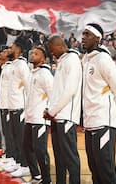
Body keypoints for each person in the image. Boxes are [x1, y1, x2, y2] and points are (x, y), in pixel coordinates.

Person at [81, 23, 116, 184]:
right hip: (90, 122)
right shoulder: (86, 60)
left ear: (98, 38)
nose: (83, 38)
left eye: (87, 34)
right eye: (83, 34)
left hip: (104, 122)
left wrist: (111, 111)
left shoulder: (103, 59)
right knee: (94, 168)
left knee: (105, 169)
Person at [44, 35, 81, 184]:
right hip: (57, 116)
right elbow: (57, 90)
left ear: (60, 46)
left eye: (53, 50)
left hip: (66, 116)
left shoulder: (72, 60)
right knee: (59, 156)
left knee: (70, 157)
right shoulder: (63, 61)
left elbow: (69, 90)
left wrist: (53, 111)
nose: (52, 53)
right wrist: (50, 108)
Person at [24, 47, 53, 184]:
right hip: (29, 117)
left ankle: (47, 180)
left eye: (36, 53)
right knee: (26, 147)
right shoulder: (32, 73)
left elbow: (53, 94)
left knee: (40, 150)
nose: (32, 55)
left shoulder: (45, 74)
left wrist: (48, 110)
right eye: (31, 52)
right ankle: (36, 175)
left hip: (40, 118)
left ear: (43, 58)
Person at [4, 37, 31, 177]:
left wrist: (27, 108)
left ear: (19, 49)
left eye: (13, 46)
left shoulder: (22, 65)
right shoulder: (14, 64)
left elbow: (28, 87)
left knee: (21, 138)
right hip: (12, 106)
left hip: (20, 107)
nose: (10, 48)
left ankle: (26, 165)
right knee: (15, 137)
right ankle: (17, 162)